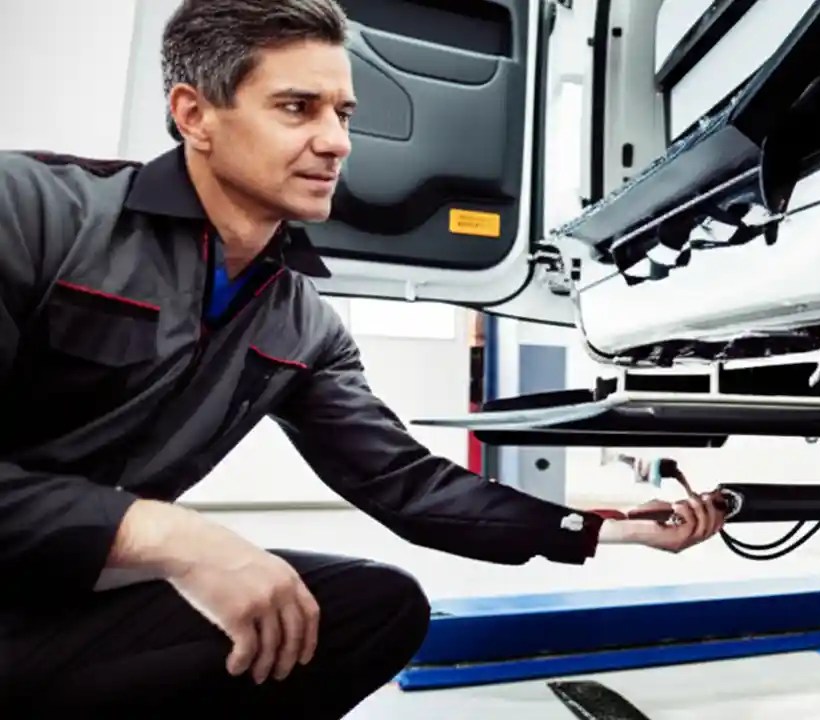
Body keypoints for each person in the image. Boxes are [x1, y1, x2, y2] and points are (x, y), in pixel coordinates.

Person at [0, 0, 726, 716]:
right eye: (297, 108)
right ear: (195, 115)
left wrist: (600, 527)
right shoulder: (35, 212)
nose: (337, 142)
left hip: (51, 599)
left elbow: (404, 484)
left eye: (343, 114)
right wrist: (172, 537)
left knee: (371, 608)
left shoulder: (299, 323)